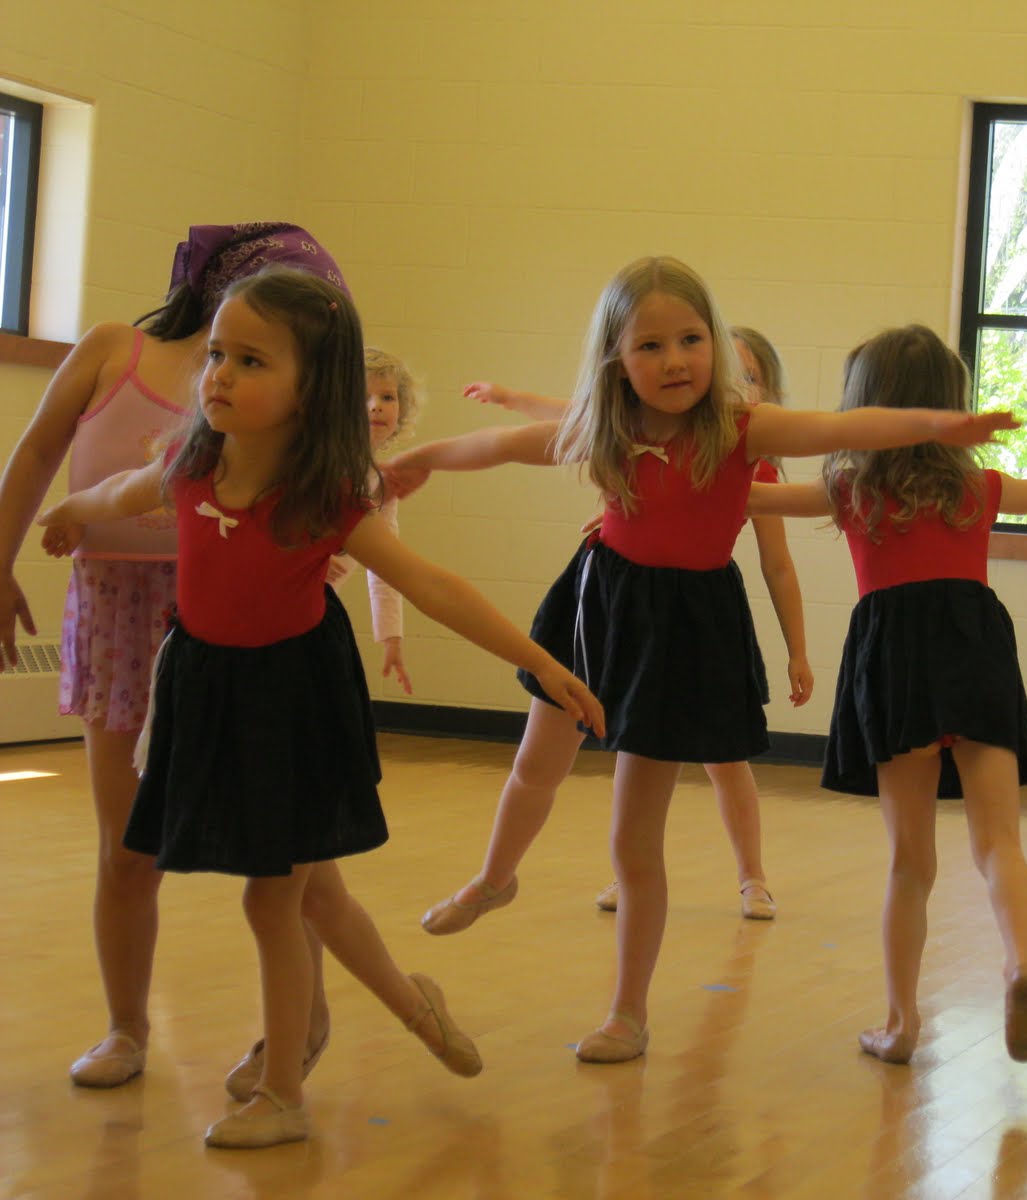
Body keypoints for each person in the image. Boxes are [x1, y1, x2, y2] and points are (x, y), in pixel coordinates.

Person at [385, 256, 1017, 1063]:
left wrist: (936, 427)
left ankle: (627, 1013)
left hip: (682, 631)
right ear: (616, 357)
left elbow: (839, 427)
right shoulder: (606, 426)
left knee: (631, 841)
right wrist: (421, 461)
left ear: (714, 343)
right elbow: (506, 444)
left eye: (690, 340)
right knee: (534, 767)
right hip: (600, 605)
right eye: (650, 346)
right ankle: (496, 877)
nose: (674, 360)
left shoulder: (740, 430)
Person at [37, 267, 604, 1147]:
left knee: (275, 902)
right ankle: (418, 1010)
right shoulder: (192, 462)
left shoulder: (322, 498)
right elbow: (121, 494)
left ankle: (282, 1095)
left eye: (250, 360)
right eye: (217, 353)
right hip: (205, 688)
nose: (219, 373)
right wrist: (72, 511)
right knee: (320, 898)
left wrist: (539, 660)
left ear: (313, 390)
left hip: (289, 701)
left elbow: (433, 585)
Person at [747, 323, 1027, 1064]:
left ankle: (902, 1023)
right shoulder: (975, 488)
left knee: (910, 864)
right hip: (975, 642)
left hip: (894, 655)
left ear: (864, 408)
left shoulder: (850, 490)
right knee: (999, 841)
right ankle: (1022, 965)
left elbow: (758, 504)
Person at [0, 222, 345, 1089]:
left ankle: (300, 1020)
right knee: (126, 845)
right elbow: (39, 449)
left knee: (291, 853)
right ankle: (126, 1028)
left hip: (241, 620)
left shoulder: (279, 391)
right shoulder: (118, 349)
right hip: (118, 608)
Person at [463, 326, 810, 920]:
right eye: (727, 374)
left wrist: (797, 651)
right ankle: (628, 873)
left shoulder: (756, 467)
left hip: (697, 624)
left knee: (725, 762)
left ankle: (752, 875)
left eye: (748, 378)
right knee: (633, 745)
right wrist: (512, 396)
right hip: (626, 612)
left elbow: (777, 565)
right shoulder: (643, 432)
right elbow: (574, 416)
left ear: (766, 394)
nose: (734, 387)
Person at [218, 345, 427, 1105]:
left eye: (388, 401)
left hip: (306, 650)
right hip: (250, 652)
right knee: (291, 881)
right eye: (364, 396)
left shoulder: (376, 484)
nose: (376, 409)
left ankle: (300, 1031)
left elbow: (389, 566)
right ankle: (324, 1020)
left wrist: (391, 640)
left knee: (291, 879)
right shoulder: (289, 460)